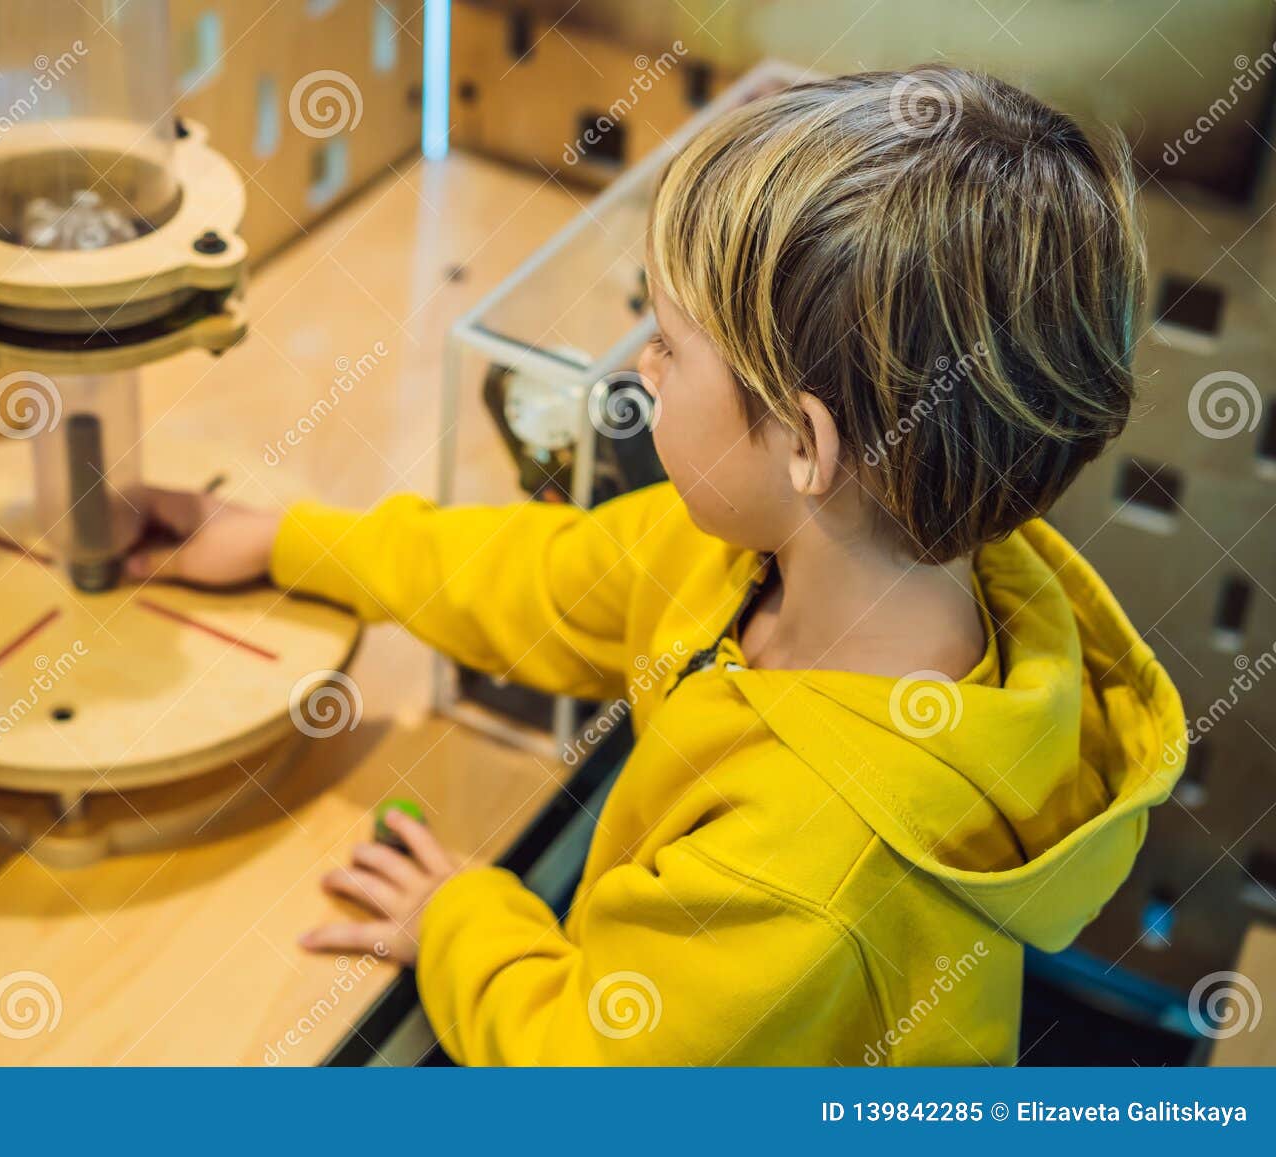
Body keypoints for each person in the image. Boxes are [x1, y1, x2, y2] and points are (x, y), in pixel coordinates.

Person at [129, 66, 1185, 1065]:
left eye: (671, 348)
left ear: (807, 446)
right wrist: (285, 541)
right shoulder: (787, 550)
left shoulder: (802, 869)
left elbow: (586, 1072)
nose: (641, 366)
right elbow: (539, 576)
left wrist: (463, 919)